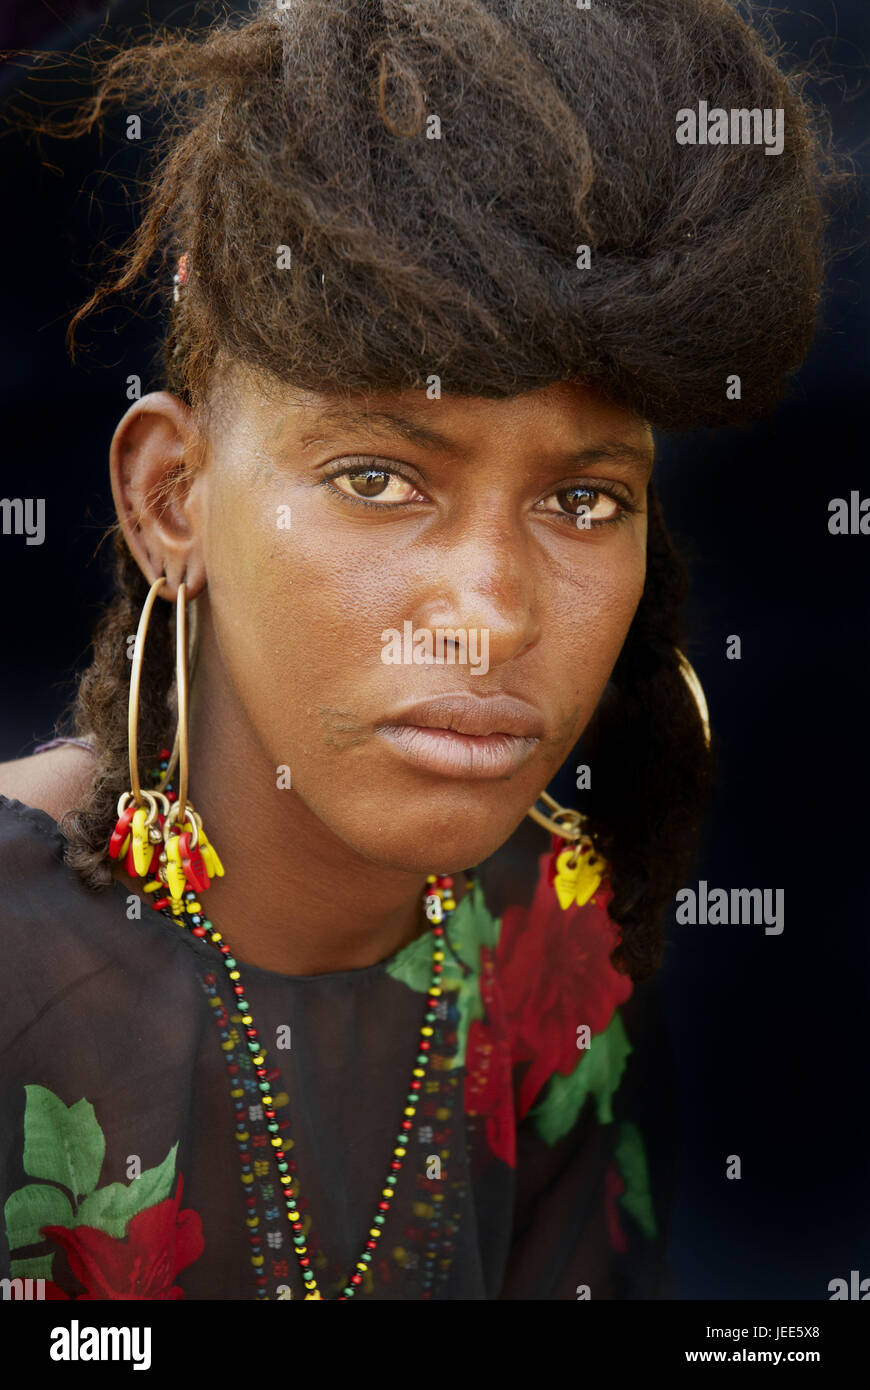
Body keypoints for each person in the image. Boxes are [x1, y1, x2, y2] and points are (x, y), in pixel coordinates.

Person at [0, 0, 841, 1300]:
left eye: (583, 500)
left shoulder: (556, 949)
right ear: (171, 499)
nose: (495, 611)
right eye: (378, 477)